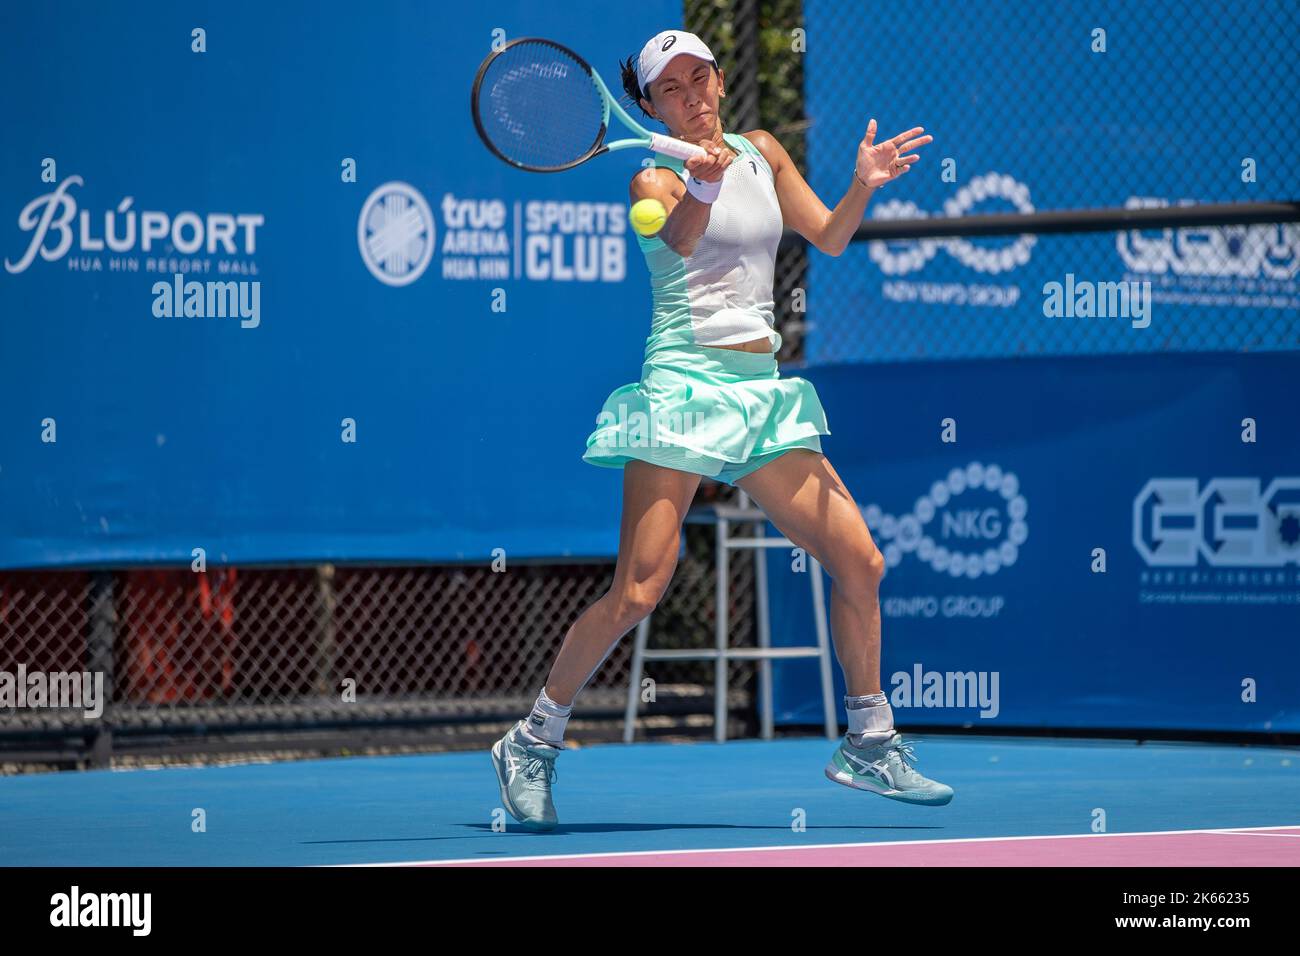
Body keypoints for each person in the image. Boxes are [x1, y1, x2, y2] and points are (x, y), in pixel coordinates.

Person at [491, 29, 952, 830]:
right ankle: (532, 740)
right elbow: (676, 240)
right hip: (682, 388)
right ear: (646, 106)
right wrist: (697, 189)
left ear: (720, 80)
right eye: (672, 88)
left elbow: (831, 238)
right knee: (638, 591)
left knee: (861, 560)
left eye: (701, 77)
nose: (693, 96)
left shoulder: (763, 150)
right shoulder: (651, 173)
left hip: (759, 392)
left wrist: (862, 185)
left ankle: (870, 743)